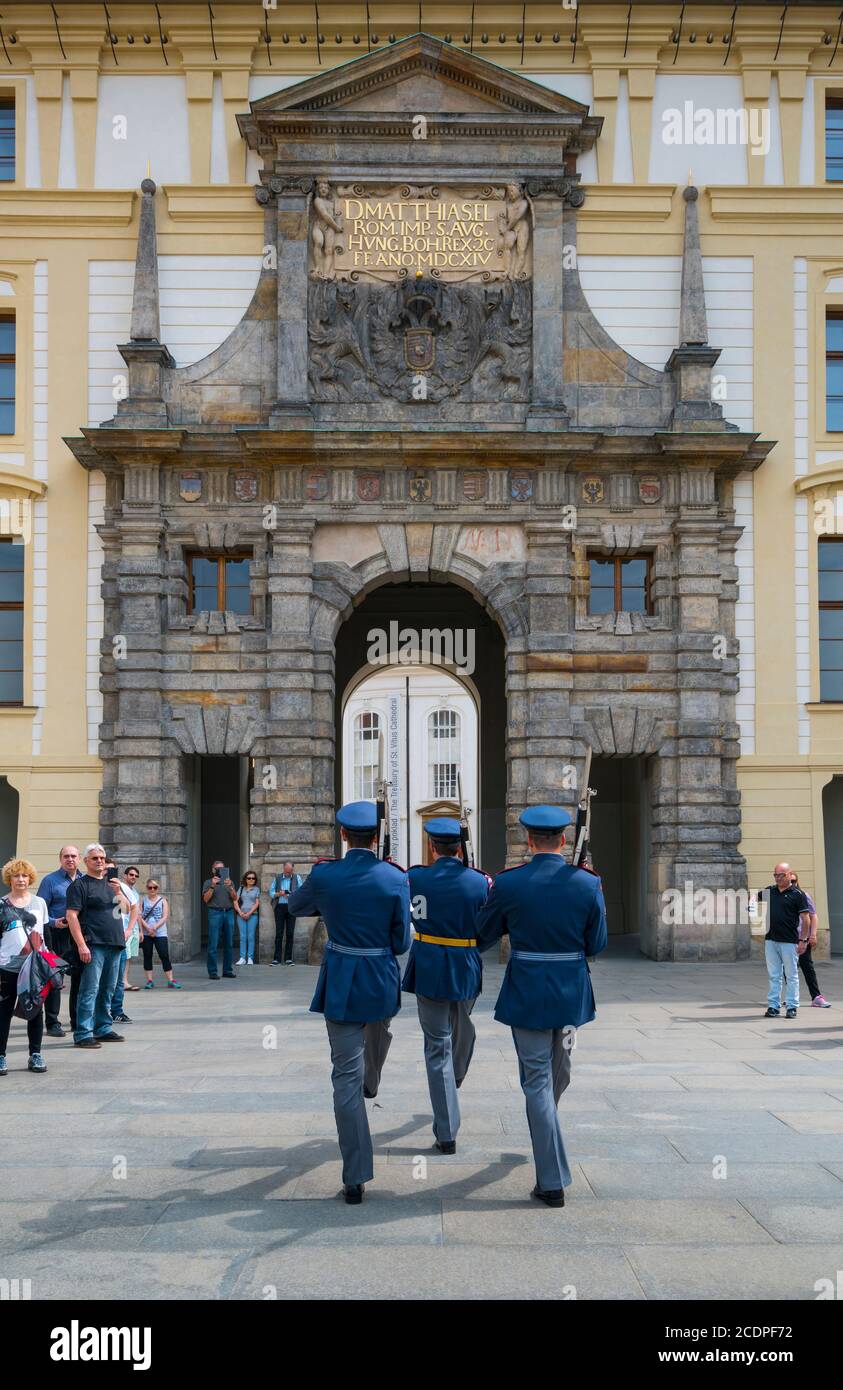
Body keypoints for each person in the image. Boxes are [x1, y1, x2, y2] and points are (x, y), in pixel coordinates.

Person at [476, 805, 608, 1209]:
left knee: (540, 1081)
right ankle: (551, 1180)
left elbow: (482, 937)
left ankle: (546, 1145)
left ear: (529, 841)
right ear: (563, 841)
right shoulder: (587, 884)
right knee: (555, 1074)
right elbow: (597, 944)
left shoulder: (509, 884)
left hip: (528, 992)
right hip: (569, 995)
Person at [288, 802, 411, 1205]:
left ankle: (356, 1175)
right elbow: (402, 941)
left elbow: (296, 907)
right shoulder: (394, 876)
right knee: (375, 1039)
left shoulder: (325, 873)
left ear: (343, 835)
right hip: (379, 976)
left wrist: (328, 898)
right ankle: (370, 1078)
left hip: (342, 978)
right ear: (375, 837)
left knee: (345, 1077)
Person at [402, 817, 490, 1154]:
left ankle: (446, 1104)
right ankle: (447, 1121)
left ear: (432, 846)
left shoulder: (415, 877)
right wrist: (472, 945)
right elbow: (488, 926)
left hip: (428, 964)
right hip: (465, 963)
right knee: (457, 1033)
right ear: (459, 847)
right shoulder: (479, 881)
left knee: (440, 1044)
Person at [65, 844, 128, 1048]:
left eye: (102, 857)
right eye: (95, 858)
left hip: (115, 943)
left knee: (108, 989)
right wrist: (81, 945)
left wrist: (119, 891)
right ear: (86, 861)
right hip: (94, 944)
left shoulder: (112, 884)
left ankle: (103, 1028)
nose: (100, 861)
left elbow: (125, 909)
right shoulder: (80, 885)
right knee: (89, 989)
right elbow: (71, 916)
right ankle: (83, 1033)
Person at [0, 858, 49, 1075]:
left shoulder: (39, 903)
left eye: (24, 875)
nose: (20, 879)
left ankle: (35, 1054)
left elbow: (44, 934)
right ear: (9, 879)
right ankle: (1, 1056)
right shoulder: (1, 904)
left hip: (34, 966)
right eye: (16, 875)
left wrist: (48, 961)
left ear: (30, 878)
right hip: (7, 965)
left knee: (36, 1011)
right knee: (3, 1011)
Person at [37, 844, 81, 1037]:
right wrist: (55, 923)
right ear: (60, 859)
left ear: (79, 859)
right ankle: (52, 1022)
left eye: (73, 856)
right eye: (66, 856)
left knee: (79, 979)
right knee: (55, 980)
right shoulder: (50, 881)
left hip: (79, 936)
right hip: (57, 937)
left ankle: (77, 1020)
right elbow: (39, 910)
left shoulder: (84, 880)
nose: (70, 859)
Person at [760, 862, 811, 1019]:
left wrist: (803, 940)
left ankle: (792, 1006)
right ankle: (773, 1006)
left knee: (791, 974)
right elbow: (752, 899)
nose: (778, 878)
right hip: (771, 939)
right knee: (774, 975)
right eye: (775, 875)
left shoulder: (798, 894)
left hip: (790, 941)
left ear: (790, 875)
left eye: (781, 875)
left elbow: (806, 919)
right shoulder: (769, 891)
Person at [789, 872, 830, 1008]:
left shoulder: (804, 896)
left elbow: (813, 916)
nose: (792, 883)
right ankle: (791, 997)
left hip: (802, 938)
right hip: (787, 938)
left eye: (794, 881)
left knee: (807, 968)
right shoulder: (784, 896)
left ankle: (816, 997)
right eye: (790, 881)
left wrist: (812, 935)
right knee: (788, 970)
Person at [108, 862, 139, 1026]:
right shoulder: (91, 883)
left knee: (119, 979)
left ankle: (117, 1011)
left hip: (119, 938)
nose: (107, 871)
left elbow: (133, 907)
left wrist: (129, 929)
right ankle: (100, 1013)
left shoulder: (121, 887)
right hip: (99, 938)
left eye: (111, 869)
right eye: (107, 868)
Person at [139, 880, 181, 989]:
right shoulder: (143, 901)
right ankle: (149, 980)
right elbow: (139, 916)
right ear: (147, 888)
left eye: (155, 887)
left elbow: (165, 916)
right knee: (147, 956)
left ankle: (171, 980)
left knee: (164, 955)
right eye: (150, 887)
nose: (152, 889)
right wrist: (147, 928)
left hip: (160, 932)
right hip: (147, 932)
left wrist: (155, 928)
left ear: (157, 888)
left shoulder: (162, 901)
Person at [202, 859, 238, 979]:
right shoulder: (208, 882)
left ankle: (227, 970)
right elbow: (206, 900)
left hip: (228, 912)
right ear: (213, 870)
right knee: (213, 943)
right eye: (218, 869)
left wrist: (231, 887)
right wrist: (213, 885)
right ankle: (212, 971)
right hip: (215, 913)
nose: (220, 871)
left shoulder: (229, 882)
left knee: (229, 943)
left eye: (222, 869)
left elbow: (235, 898)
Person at [270, 862, 303, 965]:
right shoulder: (277, 878)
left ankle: (288, 958)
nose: (288, 872)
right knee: (279, 933)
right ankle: (276, 959)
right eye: (286, 870)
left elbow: (301, 892)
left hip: (292, 907)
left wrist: (292, 895)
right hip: (279, 907)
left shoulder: (297, 878)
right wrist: (279, 894)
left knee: (290, 933)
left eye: (290, 870)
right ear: (283, 868)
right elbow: (271, 893)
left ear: (292, 869)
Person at [120, 866, 142, 994]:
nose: (133, 877)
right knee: (124, 956)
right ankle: (122, 982)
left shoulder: (135, 892)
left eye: (136, 876)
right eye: (131, 874)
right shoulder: (121, 889)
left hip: (133, 928)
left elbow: (137, 912)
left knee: (128, 957)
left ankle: (124, 980)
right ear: (125, 875)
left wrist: (139, 930)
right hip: (124, 928)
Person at [235, 870, 261, 965]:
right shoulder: (241, 889)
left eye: (253, 878)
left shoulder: (256, 889)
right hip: (241, 915)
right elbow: (235, 901)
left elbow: (257, 903)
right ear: (245, 879)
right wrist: (240, 912)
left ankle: (250, 958)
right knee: (242, 937)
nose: (251, 880)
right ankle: (242, 958)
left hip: (252, 915)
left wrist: (249, 913)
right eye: (249, 878)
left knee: (251, 936)